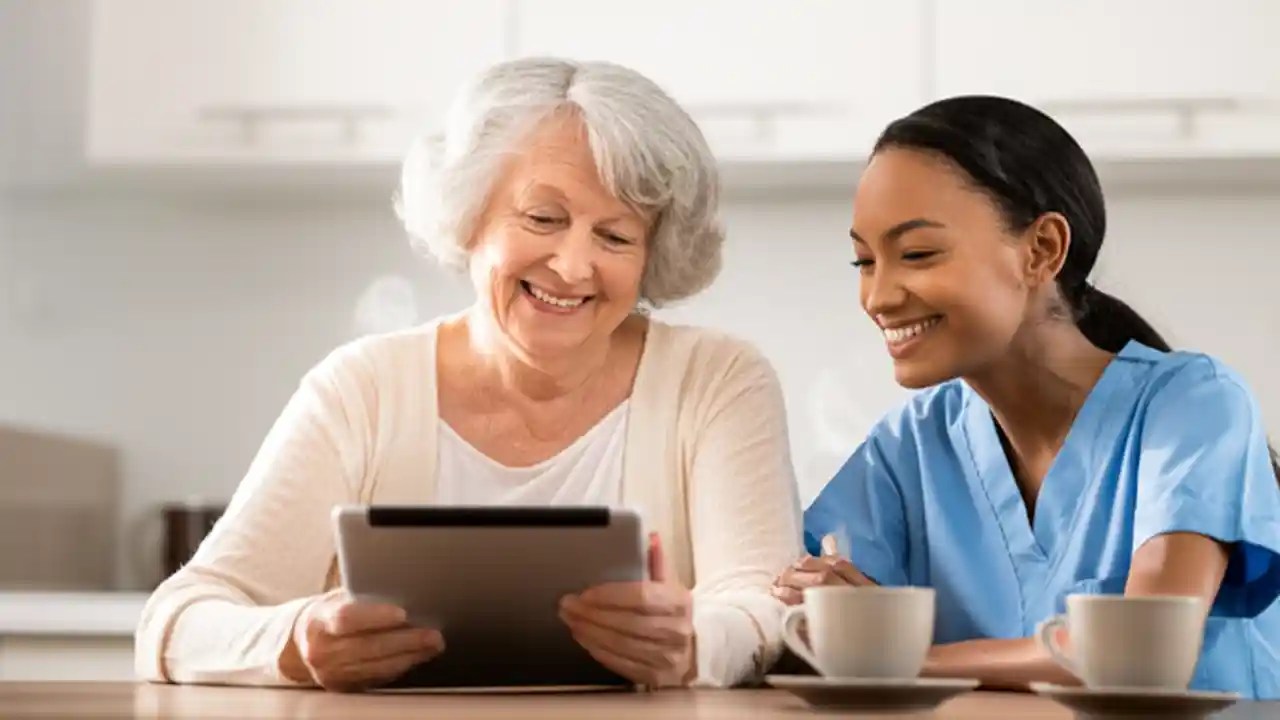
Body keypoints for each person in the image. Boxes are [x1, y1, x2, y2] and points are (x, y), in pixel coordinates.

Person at [135, 57, 801, 692]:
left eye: (615, 237)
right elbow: (176, 620)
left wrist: (694, 644)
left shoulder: (718, 380)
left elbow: (760, 609)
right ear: (470, 211)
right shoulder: (363, 389)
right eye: (543, 218)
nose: (573, 266)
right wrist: (297, 641)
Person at [773, 95, 1280, 699]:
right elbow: (789, 618)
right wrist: (814, 606)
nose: (878, 297)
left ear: (1041, 250)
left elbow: (1145, 650)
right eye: (863, 261)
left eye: (917, 254)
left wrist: (908, 657)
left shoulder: (1194, 405)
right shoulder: (911, 446)